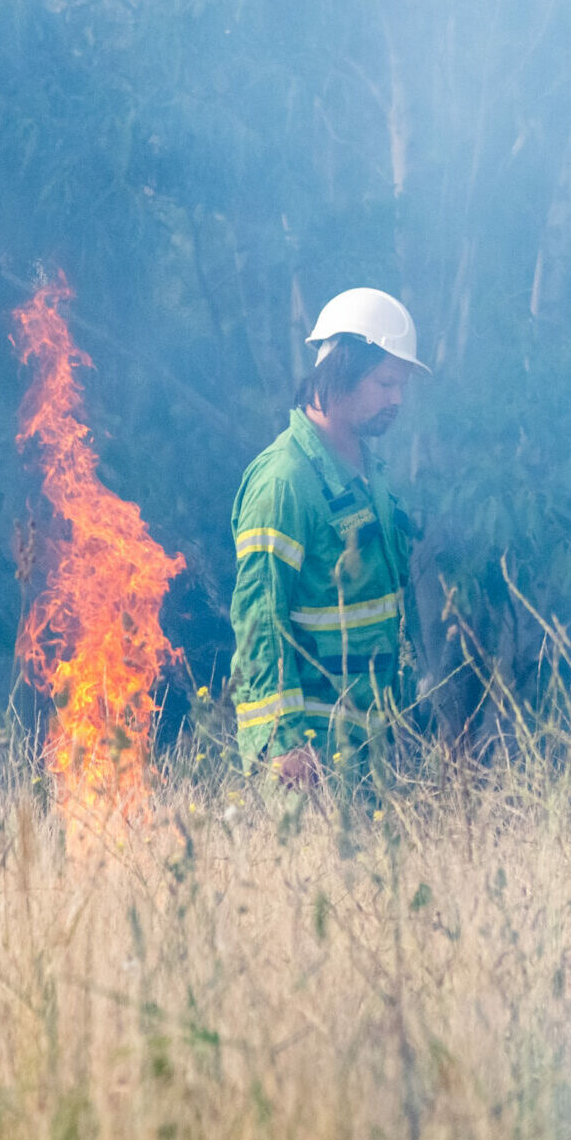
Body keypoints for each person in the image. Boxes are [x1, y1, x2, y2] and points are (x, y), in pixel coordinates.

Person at [229, 288, 426, 789]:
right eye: (385, 383)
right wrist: (282, 744)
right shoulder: (283, 483)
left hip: (375, 748)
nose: (397, 399)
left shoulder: (367, 472)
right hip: (312, 759)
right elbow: (259, 625)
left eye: (401, 386)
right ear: (340, 369)